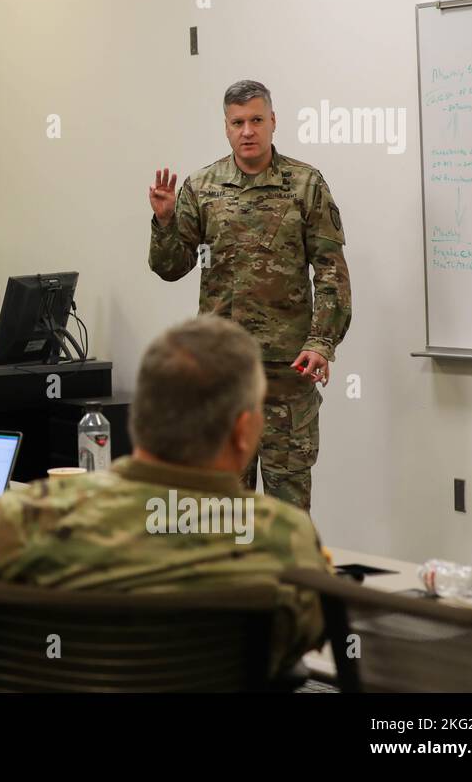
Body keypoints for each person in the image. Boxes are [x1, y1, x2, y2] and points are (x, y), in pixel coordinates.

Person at [0, 316, 329, 692]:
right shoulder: (283, 541)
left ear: (137, 419)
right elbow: (302, 648)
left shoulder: (17, 521)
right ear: (245, 430)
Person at [148, 79, 353, 510]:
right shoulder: (202, 187)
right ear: (226, 127)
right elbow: (170, 268)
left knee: (286, 516)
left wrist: (322, 342)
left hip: (287, 376)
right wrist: (165, 222)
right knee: (223, 514)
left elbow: (331, 269)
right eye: (238, 122)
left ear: (273, 122)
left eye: (256, 120)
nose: (248, 131)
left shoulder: (304, 185)